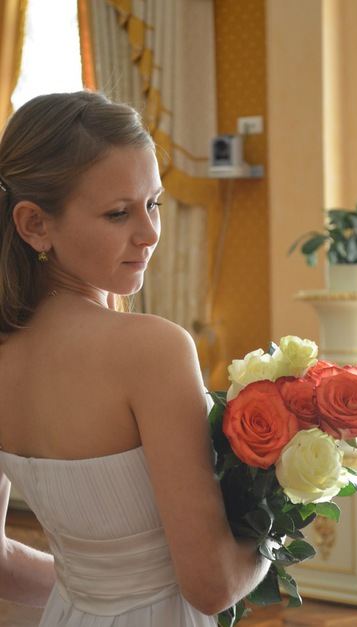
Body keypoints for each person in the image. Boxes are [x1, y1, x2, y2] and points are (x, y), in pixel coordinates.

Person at [0, 91, 271, 626]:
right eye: (118, 213)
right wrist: (284, 516)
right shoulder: (152, 349)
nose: (149, 235)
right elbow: (213, 586)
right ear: (34, 225)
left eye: (154, 204)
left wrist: (96, 588)